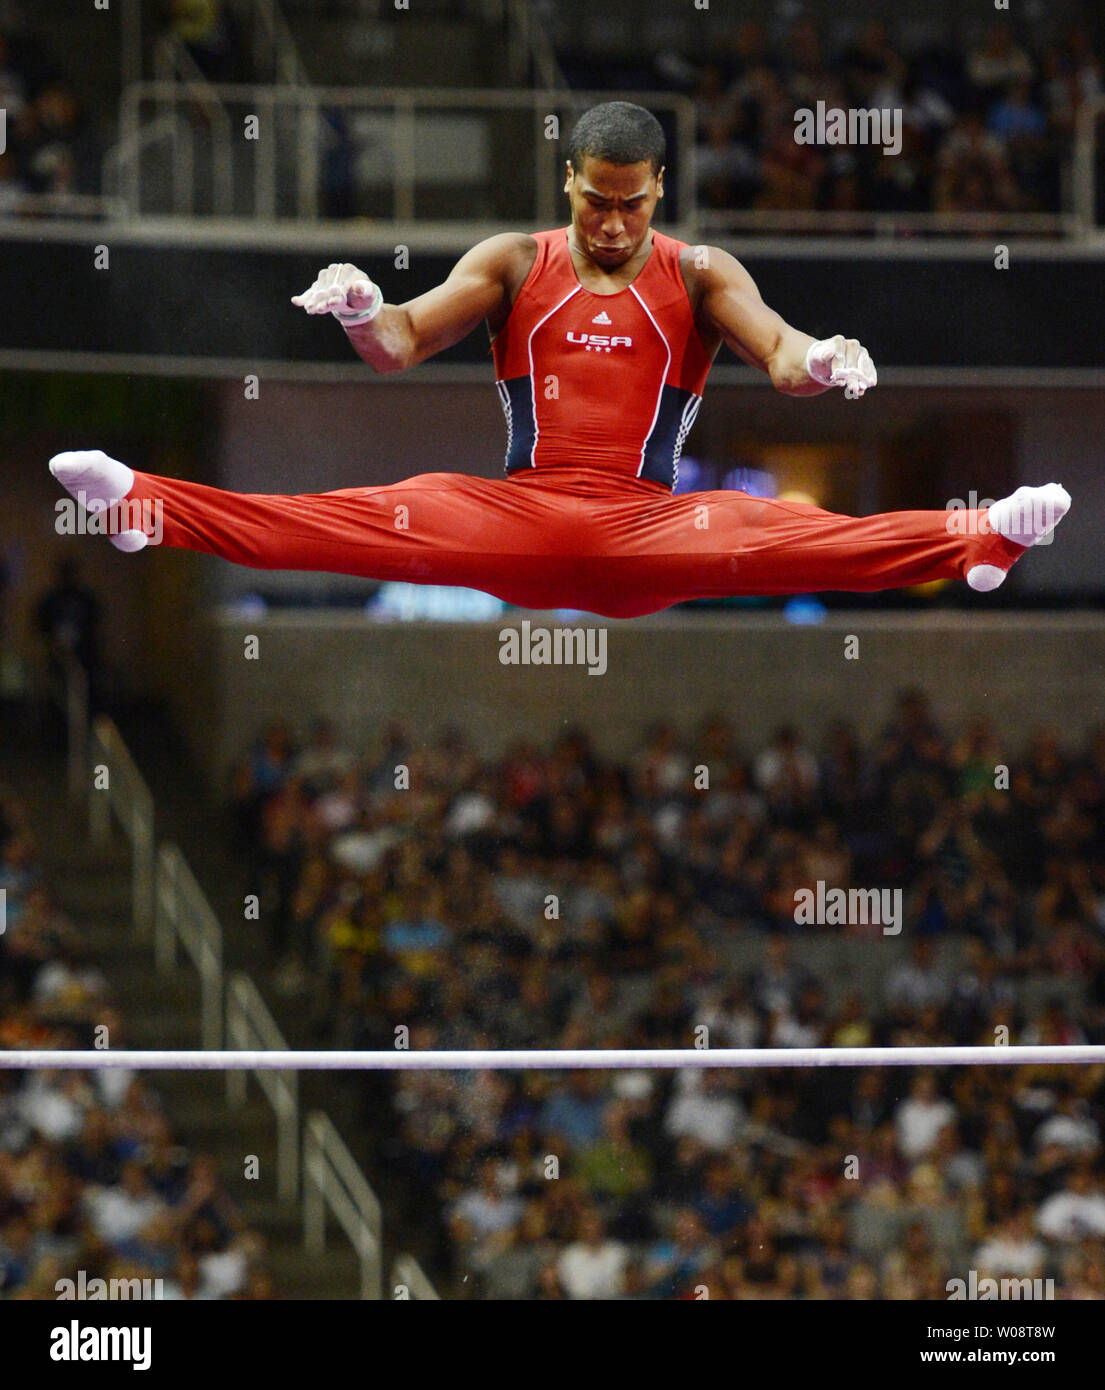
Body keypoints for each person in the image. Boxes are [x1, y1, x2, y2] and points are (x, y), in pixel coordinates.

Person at [47, 102, 1069, 618]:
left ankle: (976, 541)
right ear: (567, 178)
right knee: (356, 517)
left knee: (787, 531)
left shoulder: (702, 271)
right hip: (522, 516)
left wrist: (825, 356)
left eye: (632, 201)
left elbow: (780, 352)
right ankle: (148, 508)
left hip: (649, 526)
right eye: (595, 199)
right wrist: (365, 308)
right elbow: (398, 346)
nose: (614, 222)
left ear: (659, 187)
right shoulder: (508, 261)